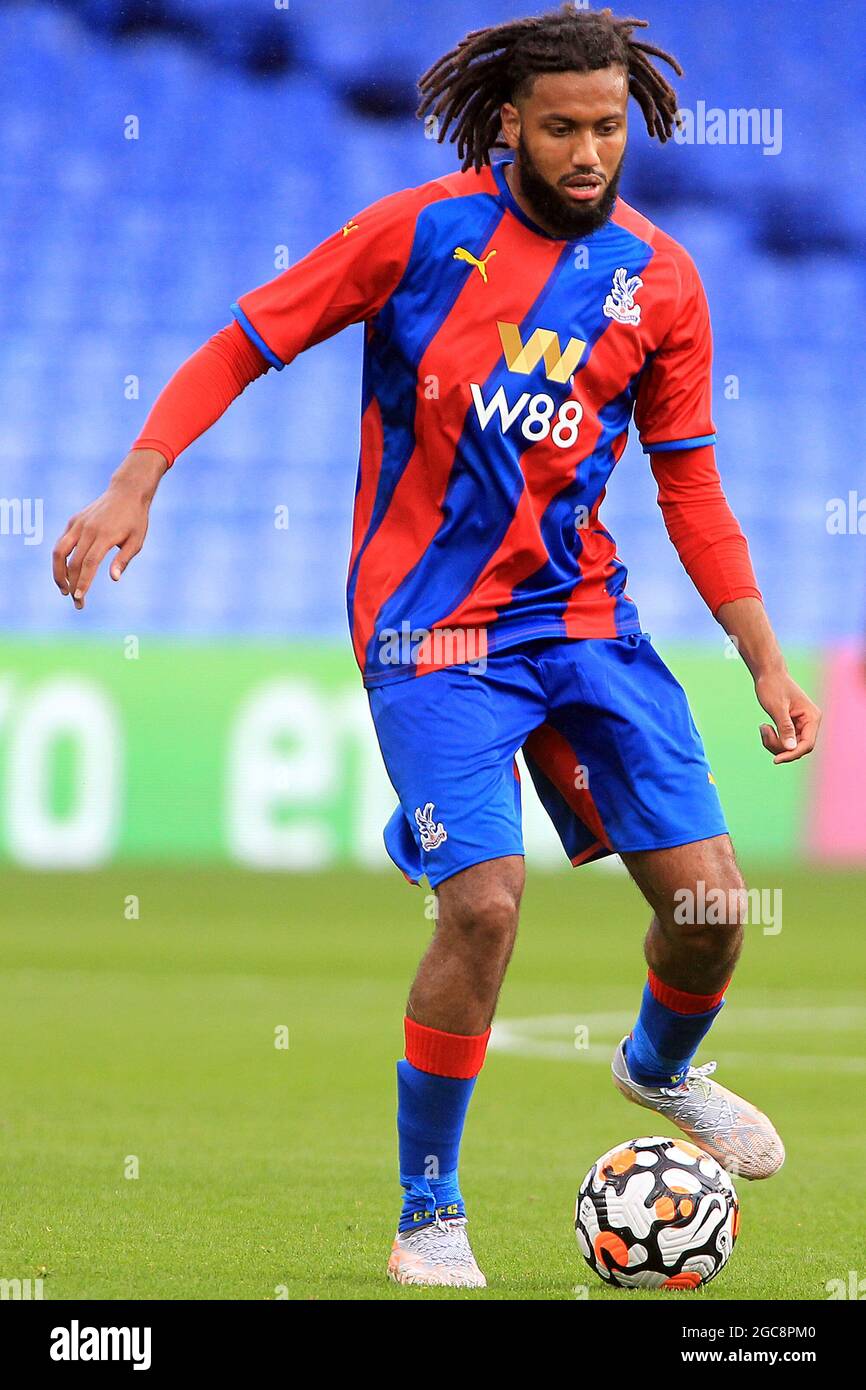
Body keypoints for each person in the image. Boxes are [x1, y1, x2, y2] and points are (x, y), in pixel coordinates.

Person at [53, 5, 821, 1290]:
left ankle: (659, 1067)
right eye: (564, 127)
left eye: (609, 128)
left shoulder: (661, 282)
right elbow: (249, 339)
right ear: (509, 125)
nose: (589, 152)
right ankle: (428, 1214)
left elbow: (691, 489)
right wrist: (139, 478)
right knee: (481, 901)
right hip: (430, 633)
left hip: (582, 624)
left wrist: (760, 658)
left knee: (709, 912)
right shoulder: (418, 233)